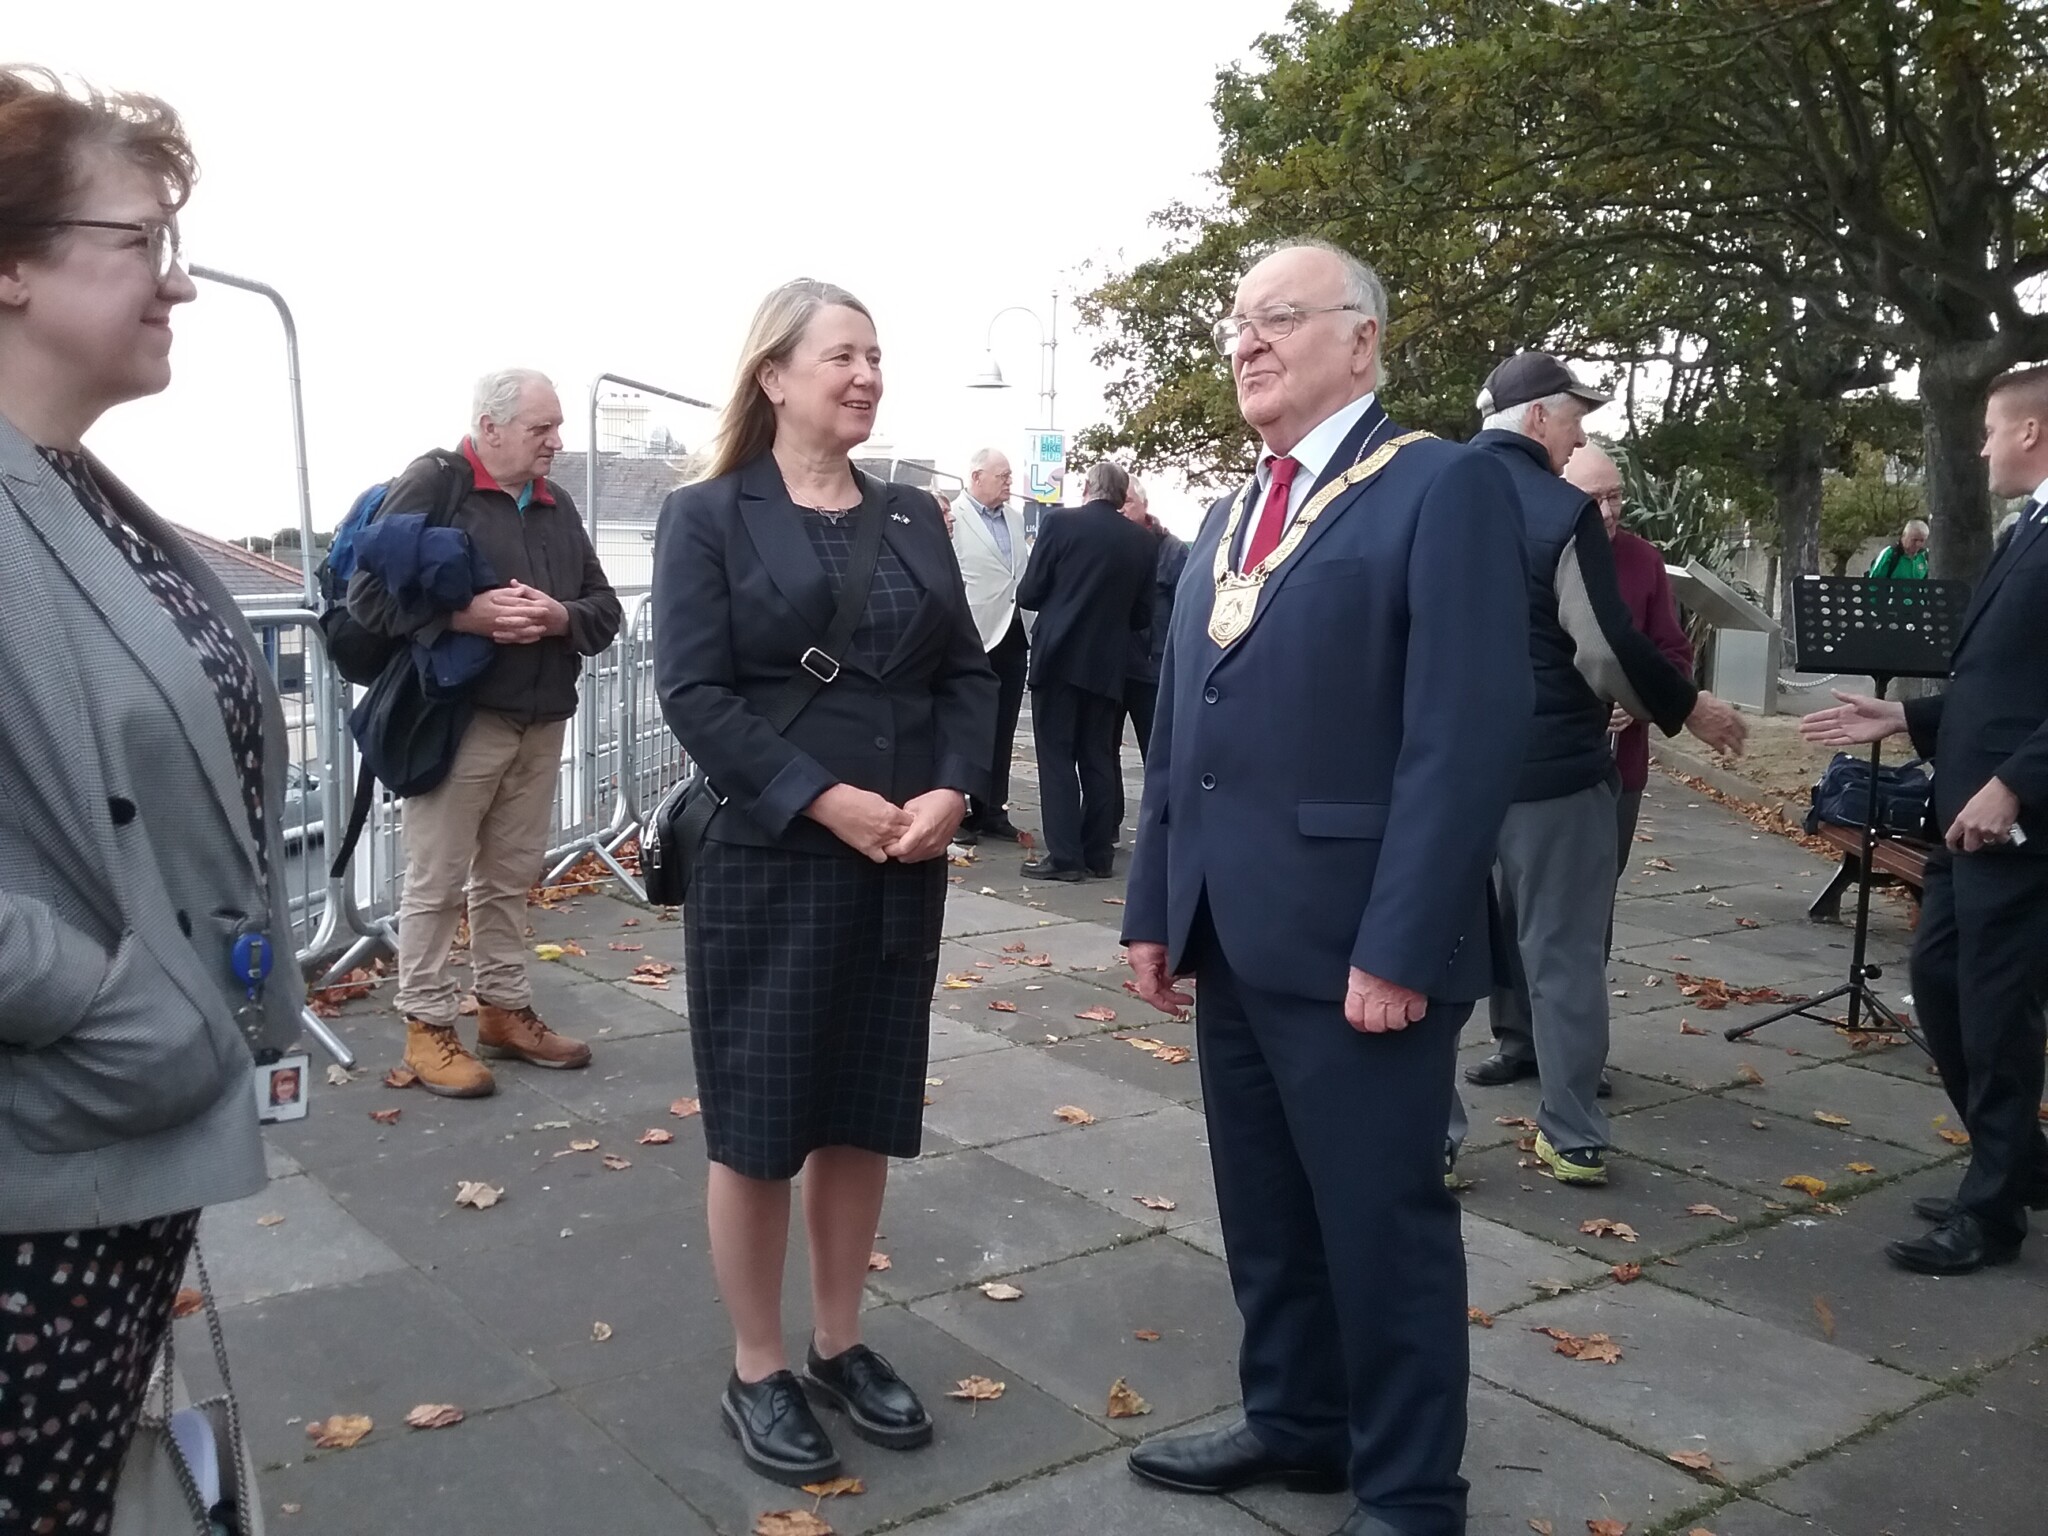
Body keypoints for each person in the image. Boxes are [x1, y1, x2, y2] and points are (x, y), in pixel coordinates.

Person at [1122, 239, 1532, 1536]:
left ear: (1360, 340)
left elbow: (1463, 735)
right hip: (1231, 930)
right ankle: (1298, 1424)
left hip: (1362, 942)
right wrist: (1152, 905)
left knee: (1382, 1225)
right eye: (1237, 322)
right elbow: (1179, 727)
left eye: (1278, 317)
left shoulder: (1439, 487)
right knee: (1267, 1213)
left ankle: (1412, 1493)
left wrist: (1403, 944)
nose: (1245, 340)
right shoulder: (1234, 510)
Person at [0, 66, 304, 1532]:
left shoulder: (76, 490)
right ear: (11, 264)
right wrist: (112, 1007)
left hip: (116, 1135)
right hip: (44, 1161)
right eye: (141, 243)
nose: (177, 285)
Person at [654, 279, 997, 1485]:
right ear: (775, 377)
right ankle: (758, 1366)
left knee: (857, 1110)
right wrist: (818, 795)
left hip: (902, 859)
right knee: (757, 1128)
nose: (865, 376)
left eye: (875, 357)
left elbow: (966, 671)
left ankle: (840, 1341)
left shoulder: (910, 515)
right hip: (769, 859)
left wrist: (955, 790)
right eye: (841, 356)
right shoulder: (706, 516)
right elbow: (693, 694)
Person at [1456, 354, 1745, 1186]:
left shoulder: (1421, 491)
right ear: (1539, 420)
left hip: (1441, 778)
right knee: (1565, 959)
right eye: (1575, 417)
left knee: (1432, 954)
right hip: (1551, 775)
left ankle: (1427, 1137)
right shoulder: (1558, 509)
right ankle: (1572, 1133)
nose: (1580, 433)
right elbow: (1605, 646)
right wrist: (1688, 706)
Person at [1802, 363, 2048, 1276]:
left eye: (1991, 428)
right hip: (1965, 816)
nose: (1981, 445)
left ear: (2029, 431)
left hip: (2017, 824)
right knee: (1942, 983)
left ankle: (1992, 1212)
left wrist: (2017, 784)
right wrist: (1903, 718)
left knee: (1994, 1011)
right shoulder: (2031, 530)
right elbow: (2002, 686)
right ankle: (2016, 1162)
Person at [348, 369, 622, 1098]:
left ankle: (502, 1009)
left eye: (557, 428)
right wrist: (465, 618)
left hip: (541, 718)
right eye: (543, 429)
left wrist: (559, 617)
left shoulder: (555, 504)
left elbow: (604, 608)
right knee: (436, 880)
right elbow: (366, 598)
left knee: (508, 878)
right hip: (459, 716)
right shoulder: (437, 483)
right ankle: (427, 1025)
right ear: (490, 428)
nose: (557, 444)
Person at [1016, 461, 1155, 880]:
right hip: (1107, 663)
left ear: (1087, 488)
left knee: (1056, 758)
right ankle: (1098, 853)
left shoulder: (1060, 523)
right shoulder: (1142, 541)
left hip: (1058, 655)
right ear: (1119, 495)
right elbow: (1143, 615)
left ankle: (1064, 857)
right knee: (1098, 756)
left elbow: (1030, 592)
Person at [948, 448, 1029, 843]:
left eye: (1010, 475)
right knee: (968, 724)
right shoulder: (955, 518)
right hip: (972, 633)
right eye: (1003, 476)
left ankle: (992, 809)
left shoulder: (1014, 520)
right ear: (976, 477)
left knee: (1004, 726)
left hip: (1012, 634)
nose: (1010, 482)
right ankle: (960, 810)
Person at [1116, 477, 1189, 763]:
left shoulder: (1172, 549)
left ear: (1145, 505)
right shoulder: (1108, 546)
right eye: (1117, 502)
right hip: (1113, 671)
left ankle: (1162, 809)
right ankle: (1105, 810)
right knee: (1101, 757)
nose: (1121, 509)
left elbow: (1186, 613)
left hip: (1153, 671)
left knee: (1158, 755)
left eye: (1128, 501)